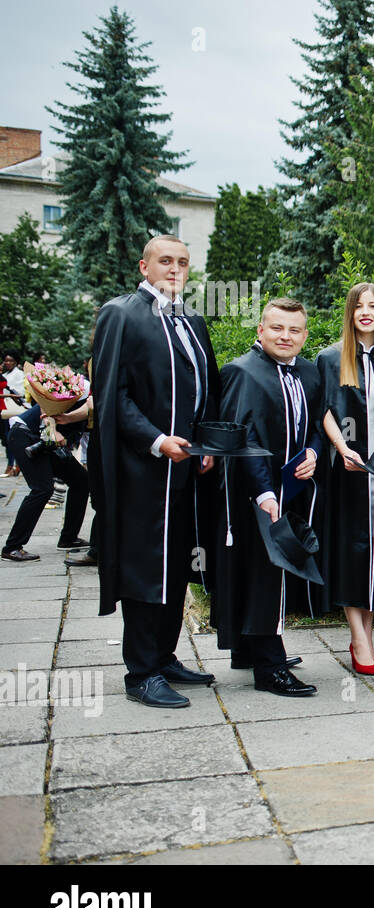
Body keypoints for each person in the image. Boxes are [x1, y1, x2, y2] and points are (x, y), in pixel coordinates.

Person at [90, 235, 221, 708]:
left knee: (178, 565)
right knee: (147, 568)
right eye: (165, 261)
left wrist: (207, 443)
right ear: (144, 266)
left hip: (188, 473)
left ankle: (165, 655)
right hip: (143, 471)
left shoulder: (192, 320)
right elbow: (113, 395)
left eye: (182, 262)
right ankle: (141, 672)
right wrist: (156, 440)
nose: (174, 269)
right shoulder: (121, 314)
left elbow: (207, 389)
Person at [214, 298, 322, 697]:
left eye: (294, 330)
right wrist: (263, 492)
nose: (285, 336)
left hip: (292, 488)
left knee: (272, 571)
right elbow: (243, 437)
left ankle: (247, 649)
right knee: (262, 574)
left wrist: (314, 453)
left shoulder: (310, 373)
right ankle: (269, 667)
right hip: (253, 493)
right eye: (277, 328)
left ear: (304, 335)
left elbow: (316, 423)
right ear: (260, 330)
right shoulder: (242, 372)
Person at [316, 283, 374, 675]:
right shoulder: (330, 359)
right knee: (352, 551)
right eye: (358, 306)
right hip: (347, 472)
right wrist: (340, 446)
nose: (366, 312)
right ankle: (359, 637)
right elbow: (323, 410)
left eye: (373, 306)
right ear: (349, 313)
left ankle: (365, 634)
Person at [1, 402, 90, 561]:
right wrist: (53, 430)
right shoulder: (79, 387)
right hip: (25, 434)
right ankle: (12, 547)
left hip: (49, 443)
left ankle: (68, 538)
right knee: (42, 489)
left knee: (82, 481)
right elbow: (47, 405)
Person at [2, 351, 28, 476]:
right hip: (5, 409)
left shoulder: (20, 374)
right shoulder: (4, 374)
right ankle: (10, 464)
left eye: (10, 360)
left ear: (16, 362)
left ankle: (16, 465)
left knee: (14, 437)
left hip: (15, 409)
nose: (8, 363)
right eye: (6, 360)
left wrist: (11, 391)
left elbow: (21, 392)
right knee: (7, 439)